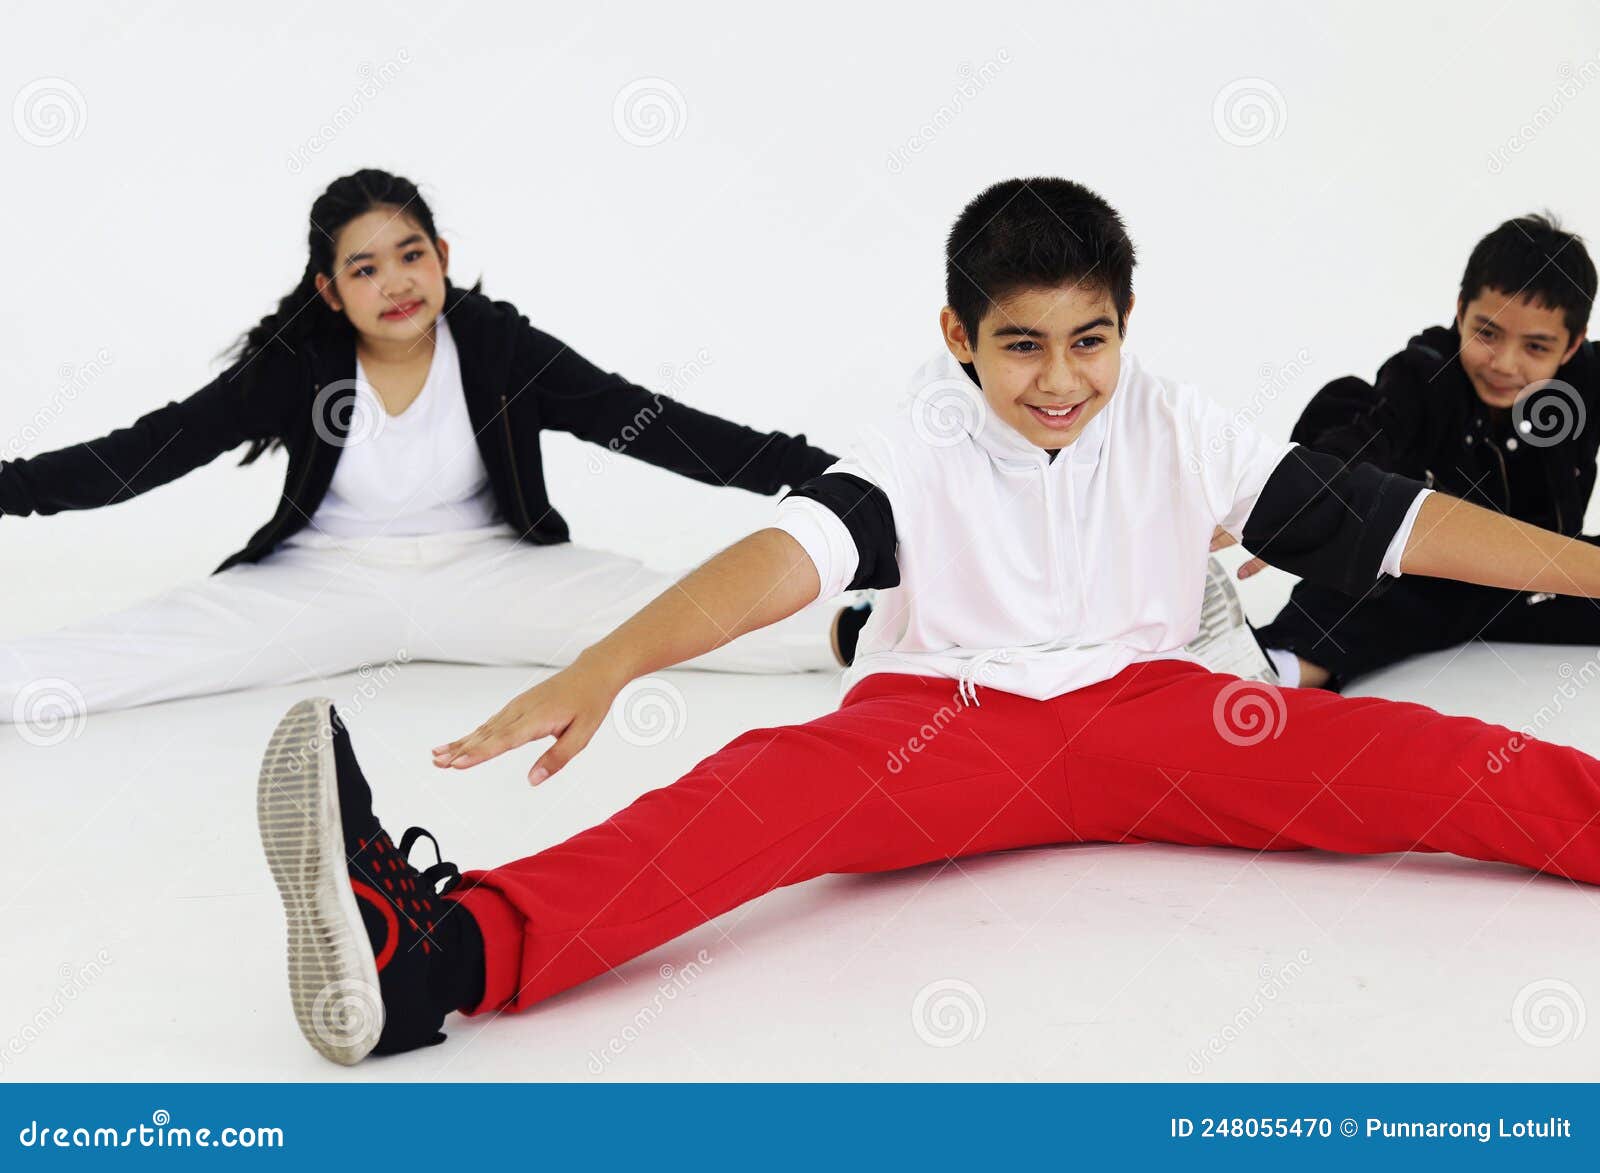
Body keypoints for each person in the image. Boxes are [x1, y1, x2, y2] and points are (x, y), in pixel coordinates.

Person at [257, 178, 1600, 1065]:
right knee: (743, 803)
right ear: (960, 334)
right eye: (1022, 343)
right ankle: (434, 955)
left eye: (1090, 339)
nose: (1060, 377)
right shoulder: (927, 440)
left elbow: (1386, 519)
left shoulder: (1174, 420)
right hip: (945, 723)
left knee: (1442, 762)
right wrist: (616, 658)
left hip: (1162, 713)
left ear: (1125, 327)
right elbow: (797, 553)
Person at [0, 170, 851, 724]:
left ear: (442, 257)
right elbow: (151, 449)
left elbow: (647, 420)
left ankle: (862, 633)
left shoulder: (499, 349)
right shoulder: (297, 366)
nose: (396, 282)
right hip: (323, 582)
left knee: (652, 612)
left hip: (493, 570)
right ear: (331, 293)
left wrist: (820, 476)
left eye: (411, 255)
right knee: (158, 644)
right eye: (365, 269)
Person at [1246, 214, 1598, 690]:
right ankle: (1273, 668)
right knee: (1354, 592)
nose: (1505, 364)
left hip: (1537, 588)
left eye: (1536, 347)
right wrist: (1297, 492)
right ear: (1460, 311)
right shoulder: (1425, 376)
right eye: (1487, 334)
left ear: (1572, 344)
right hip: (1428, 586)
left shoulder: (1585, 385)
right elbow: (1366, 435)